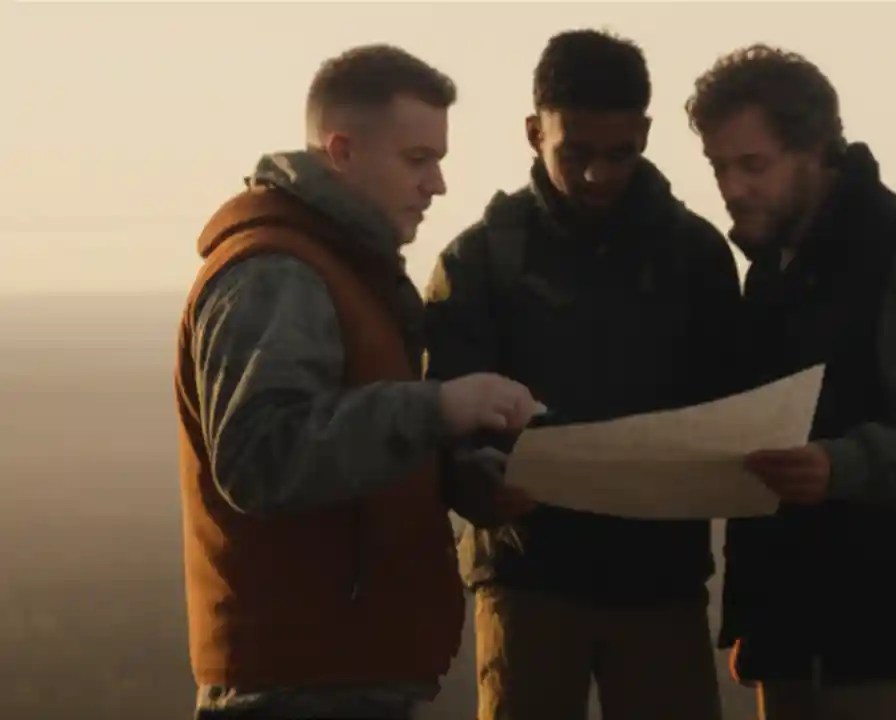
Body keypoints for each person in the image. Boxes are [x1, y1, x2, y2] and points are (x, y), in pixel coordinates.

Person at [174, 44, 542, 720]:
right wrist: (438, 408)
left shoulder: (344, 269)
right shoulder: (276, 273)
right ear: (341, 150)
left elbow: (352, 459)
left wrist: (471, 480)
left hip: (343, 674)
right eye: (417, 159)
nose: (436, 185)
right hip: (295, 687)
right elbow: (261, 456)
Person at [684, 44, 896, 719]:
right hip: (793, 637)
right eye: (719, 167)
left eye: (753, 165)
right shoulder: (775, 267)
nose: (732, 187)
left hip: (891, 634)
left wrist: (841, 466)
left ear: (818, 151)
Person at [421, 28, 741, 720]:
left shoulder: (697, 257)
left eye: (621, 153)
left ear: (648, 134)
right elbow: (436, 420)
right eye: (578, 152)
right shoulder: (477, 263)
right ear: (534, 131)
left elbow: (738, 411)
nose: (600, 173)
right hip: (529, 582)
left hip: (663, 585)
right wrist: (472, 481)